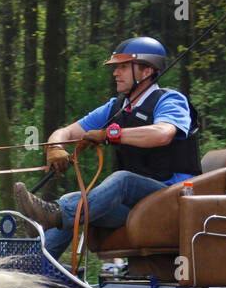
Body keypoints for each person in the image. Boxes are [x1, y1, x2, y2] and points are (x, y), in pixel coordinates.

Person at [14, 36, 201, 258]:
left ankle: (52, 216)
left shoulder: (170, 100)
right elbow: (67, 132)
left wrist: (111, 135)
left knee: (123, 180)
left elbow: (162, 134)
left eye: (123, 67)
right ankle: (33, 266)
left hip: (173, 200)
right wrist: (55, 147)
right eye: (116, 68)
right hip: (139, 206)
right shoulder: (116, 107)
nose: (115, 73)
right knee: (71, 200)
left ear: (146, 71)